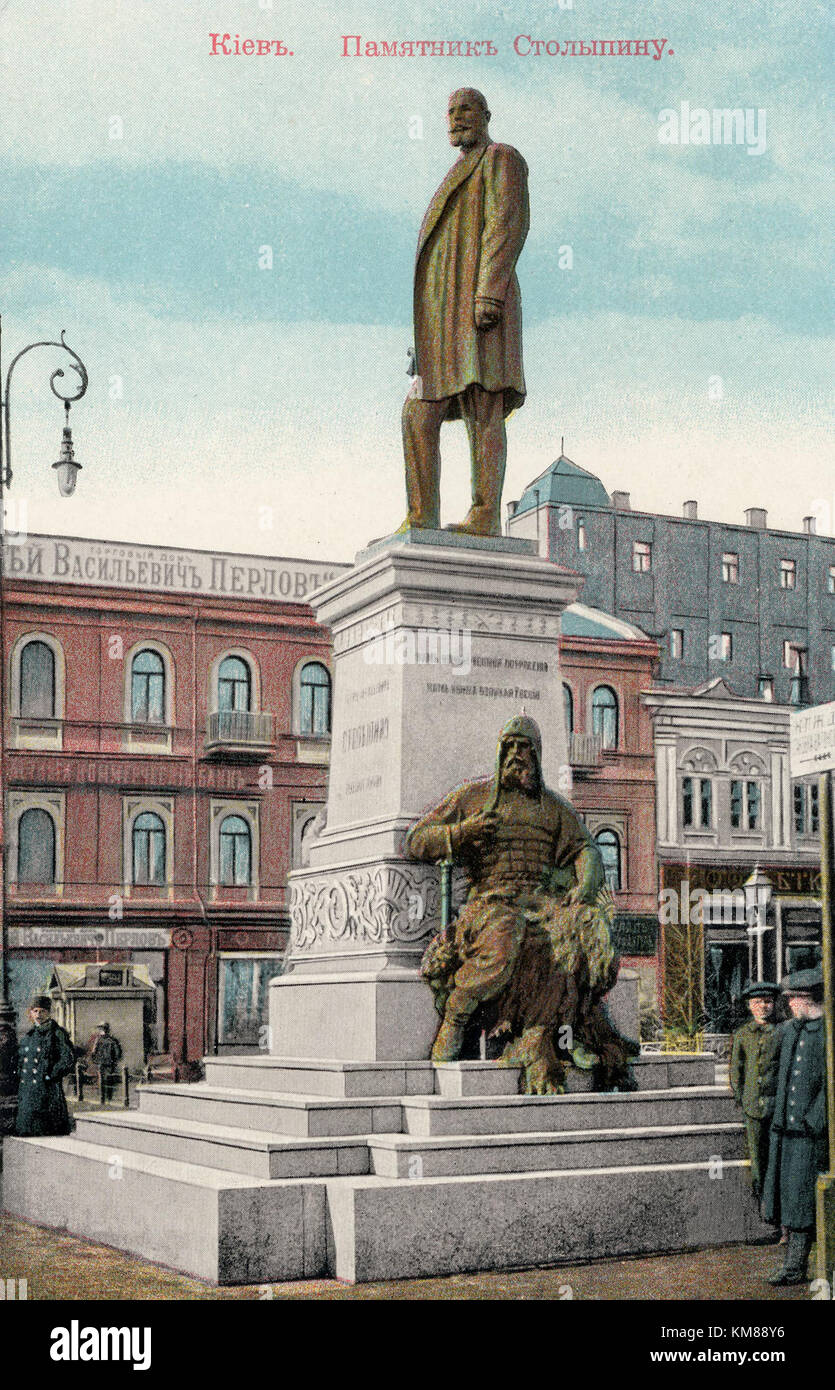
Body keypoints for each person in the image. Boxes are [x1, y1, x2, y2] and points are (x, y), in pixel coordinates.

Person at [406, 713, 632, 1092]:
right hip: (490, 903)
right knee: (505, 935)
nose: (516, 755)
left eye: (523, 748)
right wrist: (463, 832)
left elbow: (586, 848)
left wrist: (587, 884)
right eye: (509, 748)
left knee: (577, 940)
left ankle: (563, 1034)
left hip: (541, 904)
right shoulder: (473, 798)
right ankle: (457, 1014)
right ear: (499, 753)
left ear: (537, 755)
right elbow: (417, 839)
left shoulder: (554, 808)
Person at [400, 89, 529, 537]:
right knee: (417, 413)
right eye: (451, 112)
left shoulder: (500, 158)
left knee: (484, 409)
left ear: (487, 116)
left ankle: (485, 514)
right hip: (443, 322)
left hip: (479, 309)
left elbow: (506, 222)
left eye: (466, 110)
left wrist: (489, 293)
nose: (456, 118)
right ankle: (421, 516)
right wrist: (425, 342)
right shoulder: (455, 173)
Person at [761, 966, 828, 1285]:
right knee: (791, 1200)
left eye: (793, 1000)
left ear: (808, 999)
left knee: (806, 1202)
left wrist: (816, 1120)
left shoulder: (829, 1032)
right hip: (786, 1132)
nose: (788, 1005)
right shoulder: (788, 1031)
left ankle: (808, 1267)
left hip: (813, 1136)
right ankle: (795, 1266)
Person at [729, 981, 782, 1202]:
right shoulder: (743, 1034)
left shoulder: (782, 1031)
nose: (763, 1006)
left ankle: (776, 1200)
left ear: (774, 1005)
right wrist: (742, 1097)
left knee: (777, 1156)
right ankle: (761, 1198)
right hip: (753, 1106)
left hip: (777, 1105)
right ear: (750, 1006)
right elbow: (736, 1069)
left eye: (767, 1002)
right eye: (757, 1002)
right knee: (757, 1156)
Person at [15, 994, 75, 1137]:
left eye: (42, 1011)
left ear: (49, 1013)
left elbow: (68, 1059)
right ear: (30, 1013)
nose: (38, 1014)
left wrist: (50, 1075)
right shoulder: (28, 1037)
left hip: (48, 1091)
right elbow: (20, 1062)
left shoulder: (57, 1034)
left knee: (48, 1133)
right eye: (35, 1011)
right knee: (27, 1133)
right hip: (28, 1092)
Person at [89, 1021, 123, 1102]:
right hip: (108, 1064)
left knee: (103, 1081)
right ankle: (107, 1097)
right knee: (108, 1081)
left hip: (103, 1064)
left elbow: (94, 1052)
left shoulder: (100, 1040)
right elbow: (118, 1053)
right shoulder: (112, 1040)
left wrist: (95, 1060)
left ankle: (104, 1097)